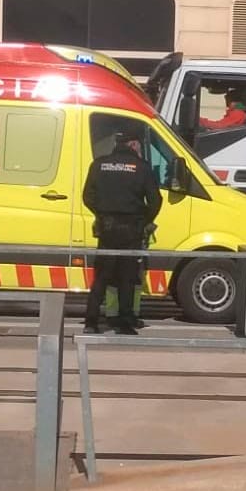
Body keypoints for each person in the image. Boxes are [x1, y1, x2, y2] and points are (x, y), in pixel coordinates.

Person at [80, 121, 163, 335]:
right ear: (134, 144)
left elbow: (87, 196)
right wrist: (144, 220)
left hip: (106, 227)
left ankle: (91, 321)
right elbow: (155, 200)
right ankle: (125, 323)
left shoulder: (99, 164)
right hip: (131, 228)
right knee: (127, 276)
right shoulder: (141, 168)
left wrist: (102, 212)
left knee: (102, 277)